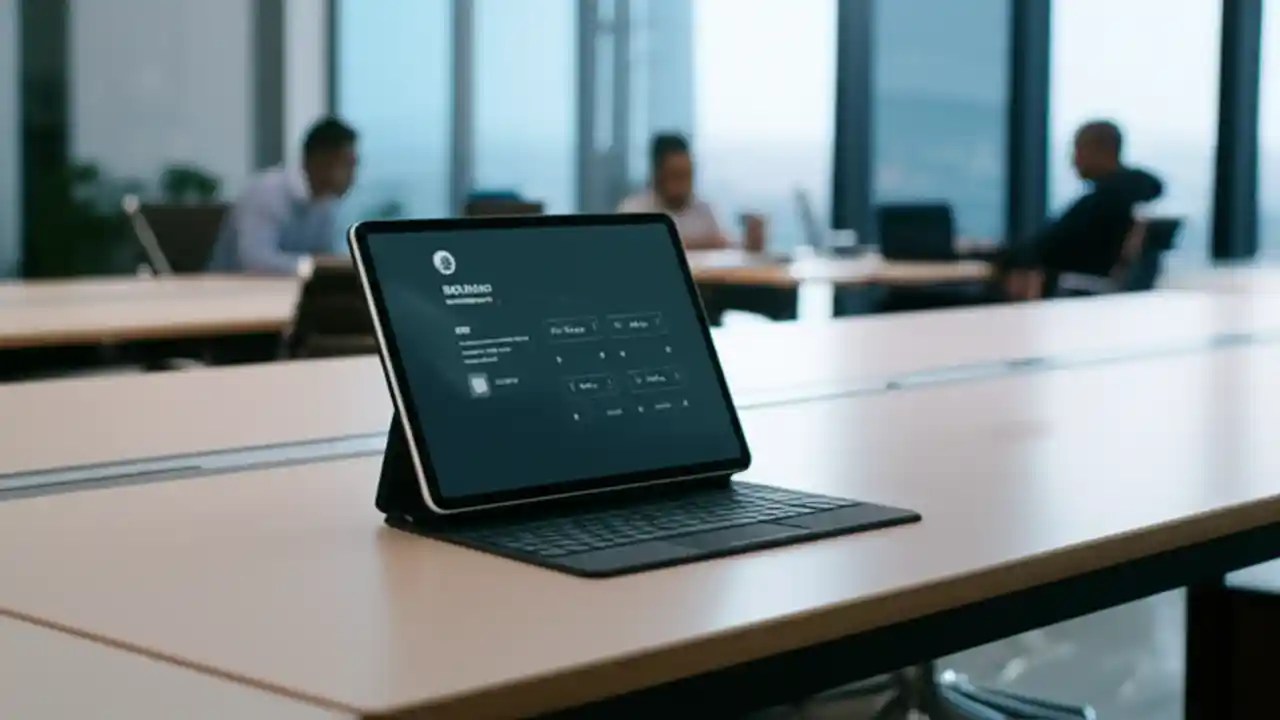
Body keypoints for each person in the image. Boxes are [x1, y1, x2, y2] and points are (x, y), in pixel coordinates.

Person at [1005, 120, 1163, 299]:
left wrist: (1001, 257)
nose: (1074, 161)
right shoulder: (1129, 199)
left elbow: (1047, 248)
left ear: (1102, 151)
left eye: (1079, 150)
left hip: (1080, 298)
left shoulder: (1101, 205)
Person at [209, 117, 358, 275]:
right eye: (348, 164)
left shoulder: (326, 203)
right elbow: (255, 260)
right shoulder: (266, 193)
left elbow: (325, 257)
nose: (353, 175)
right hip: (231, 286)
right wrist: (314, 267)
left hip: (289, 286)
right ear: (322, 161)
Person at [618, 133, 729, 250]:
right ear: (658, 175)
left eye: (688, 175)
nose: (685, 184)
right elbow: (628, 246)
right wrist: (700, 243)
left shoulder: (704, 210)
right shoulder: (634, 210)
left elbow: (723, 243)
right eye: (677, 176)